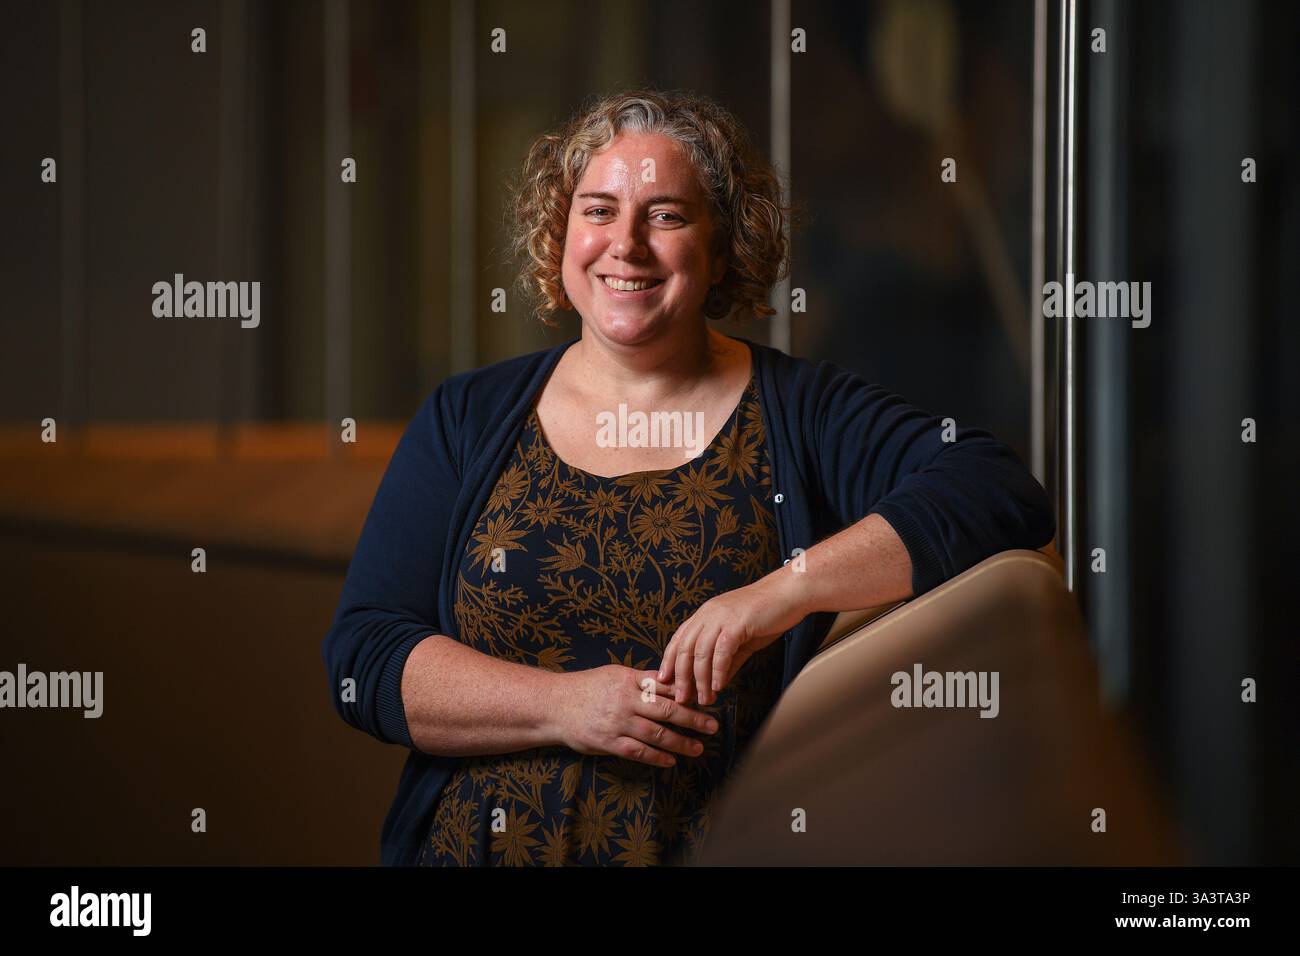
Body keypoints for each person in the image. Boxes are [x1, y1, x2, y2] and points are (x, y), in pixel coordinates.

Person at [322, 88, 1055, 866]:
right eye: (598, 211)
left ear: (724, 245)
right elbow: (364, 657)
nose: (626, 245)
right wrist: (567, 707)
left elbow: (997, 492)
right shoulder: (469, 416)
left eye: (666, 215)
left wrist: (779, 592)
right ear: (559, 234)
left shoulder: (801, 411)